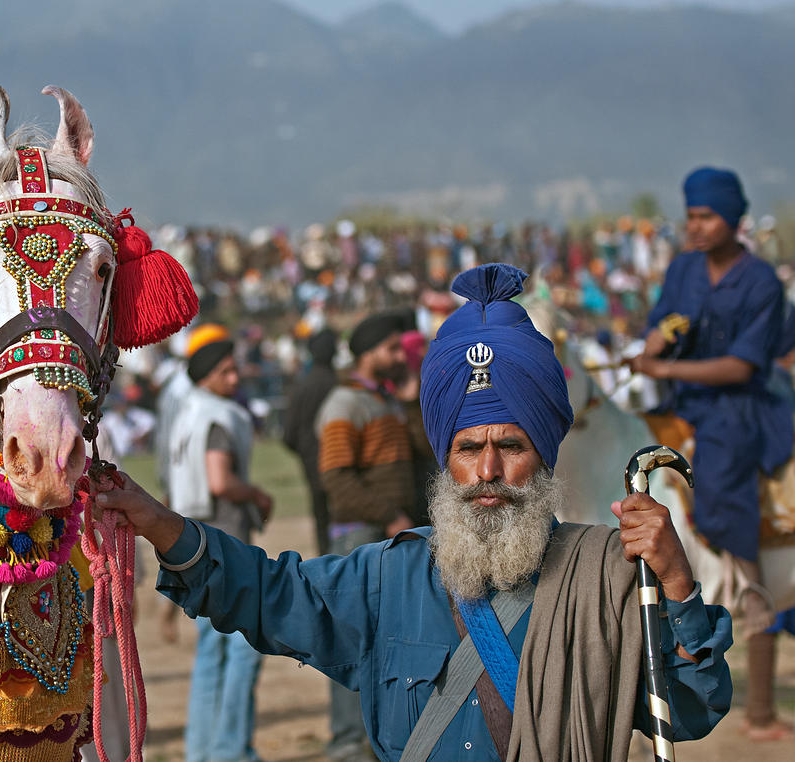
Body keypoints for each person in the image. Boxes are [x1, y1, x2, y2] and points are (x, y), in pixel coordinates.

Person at [97, 264, 733, 761]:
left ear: (543, 455)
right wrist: (160, 524)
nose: (488, 472)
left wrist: (675, 584)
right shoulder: (386, 579)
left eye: (511, 446)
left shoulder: (610, 577)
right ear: (445, 457)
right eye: (468, 449)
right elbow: (269, 594)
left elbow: (690, 711)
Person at [629, 166, 792, 740]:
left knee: (718, 474)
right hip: (682, 403)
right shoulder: (681, 270)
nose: (695, 226)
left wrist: (665, 366)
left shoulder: (762, 283)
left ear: (734, 219)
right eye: (690, 215)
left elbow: (745, 366)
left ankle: (749, 580)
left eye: (706, 216)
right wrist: (652, 345)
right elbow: (658, 325)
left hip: (736, 409)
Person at [165, 324, 273, 762]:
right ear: (207, 375)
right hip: (222, 541)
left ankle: (202, 750)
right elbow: (220, 480)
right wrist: (258, 495)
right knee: (245, 646)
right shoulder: (218, 416)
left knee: (211, 650)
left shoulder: (184, 413)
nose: (235, 378)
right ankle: (231, 750)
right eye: (226, 372)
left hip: (192, 537)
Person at [314, 311, 418, 758]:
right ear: (369, 353)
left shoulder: (387, 401)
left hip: (389, 532)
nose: (401, 356)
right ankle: (348, 741)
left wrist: (413, 402)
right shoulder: (344, 404)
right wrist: (390, 514)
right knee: (354, 642)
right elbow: (337, 481)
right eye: (393, 348)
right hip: (362, 536)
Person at [281, 327, 339, 556]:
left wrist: (307, 453)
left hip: (311, 461)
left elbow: (288, 434)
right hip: (337, 462)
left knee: (321, 516)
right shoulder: (337, 384)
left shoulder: (302, 386)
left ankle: (325, 558)